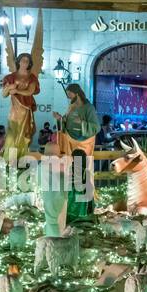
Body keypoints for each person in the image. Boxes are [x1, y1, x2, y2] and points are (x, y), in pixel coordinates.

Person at [0, 12, 42, 160]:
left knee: (24, 136)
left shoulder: (32, 77)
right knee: (11, 134)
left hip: (25, 110)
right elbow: (4, 94)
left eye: (27, 60)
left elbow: (30, 92)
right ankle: (9, 161)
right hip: (14, 110)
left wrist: (15, 89)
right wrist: (7, 88)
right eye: (22, 60)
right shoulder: (10, 77)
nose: (24, 62)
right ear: (18, 61)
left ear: (30, 63)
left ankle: (21, 159)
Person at [58, 83, 100, 221]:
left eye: (70, 94)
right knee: (71, 169)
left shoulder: (88, 108)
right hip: (70, 141)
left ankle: (85, 202)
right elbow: (66, 123)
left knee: (82, 169)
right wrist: (60, 120)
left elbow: (95, 127)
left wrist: (81, 123)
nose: (68, 96)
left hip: (84, 143)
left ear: (77, 93)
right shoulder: (71, 107)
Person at [37, 141, 69, 237]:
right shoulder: (61, 165)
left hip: (47, 197)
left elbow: (38, 182)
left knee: (50, 221)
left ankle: (51, 240)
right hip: (60, 197)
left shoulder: (40, 166)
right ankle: (58, 243)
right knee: (59, 221)